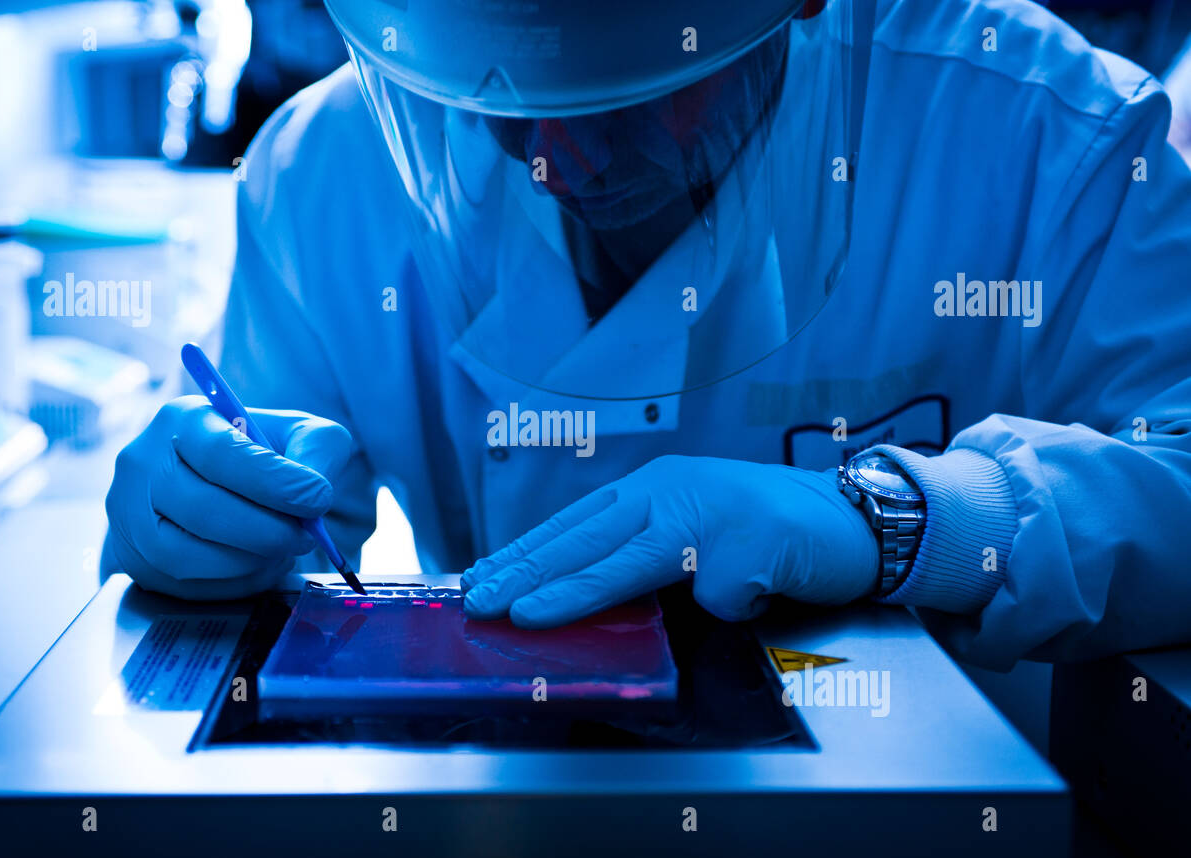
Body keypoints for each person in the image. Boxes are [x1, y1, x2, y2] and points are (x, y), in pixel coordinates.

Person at [105, 0, 1191, 671]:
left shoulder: (1043, 137)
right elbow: (265, 548)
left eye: (636, 86)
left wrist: (904, 519)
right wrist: (194, 518)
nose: (558, 160)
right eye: (500, 90)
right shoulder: (327, 173)